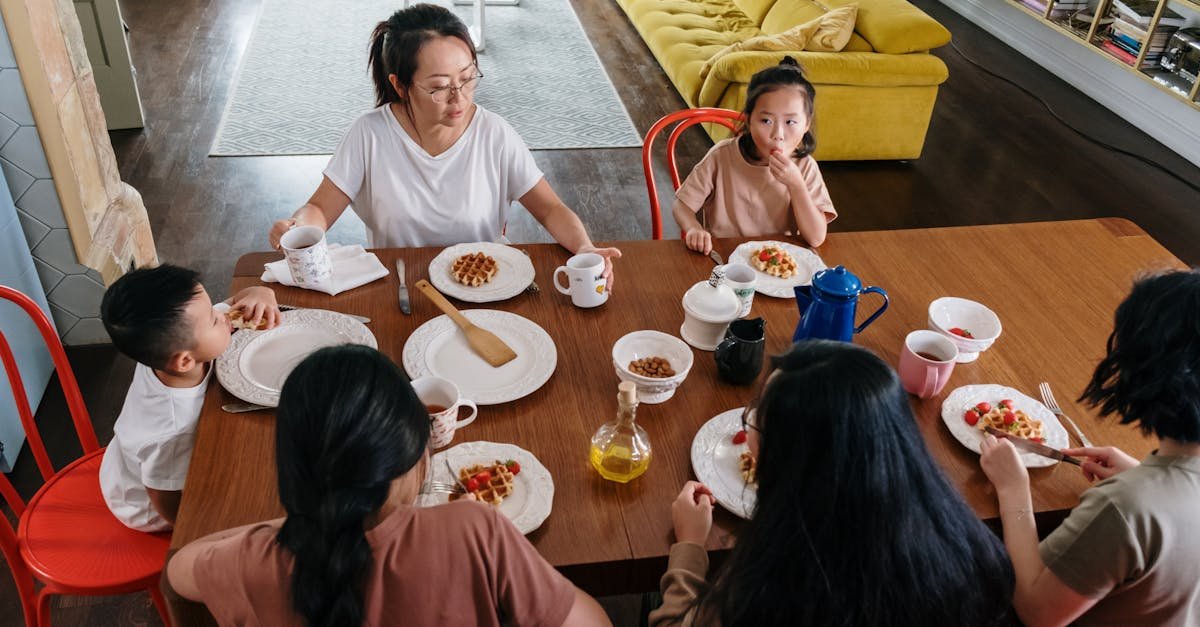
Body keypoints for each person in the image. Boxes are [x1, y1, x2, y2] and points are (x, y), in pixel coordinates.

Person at [167, 345, 610, 626]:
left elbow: (180, 568)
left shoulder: (254, 562)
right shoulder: (473, 529)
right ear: (419, 457)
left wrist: (302, 520)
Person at [652, 340, 1014, 626]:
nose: (748, 431)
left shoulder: (777, 587)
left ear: (797, 463)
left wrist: (689, 548)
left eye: (760, 420)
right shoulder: (967, 544)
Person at [267, 4, 620, 289]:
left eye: (467, 79)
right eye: (438, 87)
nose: (459, 98)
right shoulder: (369, 135)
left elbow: (550, 210)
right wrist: (296, 226)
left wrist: (585, 247)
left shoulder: (495, 134)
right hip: (401, 286)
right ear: (400, 85)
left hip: (488, 288)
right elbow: (319, 209)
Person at [980, 270, 1200, 626]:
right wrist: (1143, 476)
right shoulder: (1141, 504)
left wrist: (1013, 491)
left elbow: (1038, 612)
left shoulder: (1126, 509)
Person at [99, 264, 279, 531]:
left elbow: (232, 307)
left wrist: (261, 293)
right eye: (214, 319)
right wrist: (194, 528)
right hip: (144, 507)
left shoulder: (167, 352)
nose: (226, 315)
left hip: (127, 462)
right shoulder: (172, 430)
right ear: (185, 361)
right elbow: (162, 495)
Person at [672, 57, 836, 255]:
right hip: (724, 259)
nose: (778, 134)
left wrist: (796, 185)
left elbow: (816, 238)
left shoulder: (805, 167)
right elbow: (682, 205)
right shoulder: (722, 157)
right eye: (766, 120)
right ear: (749, 120)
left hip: (779, 265)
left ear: (807, 123)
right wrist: (693, 228)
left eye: (790, 122)